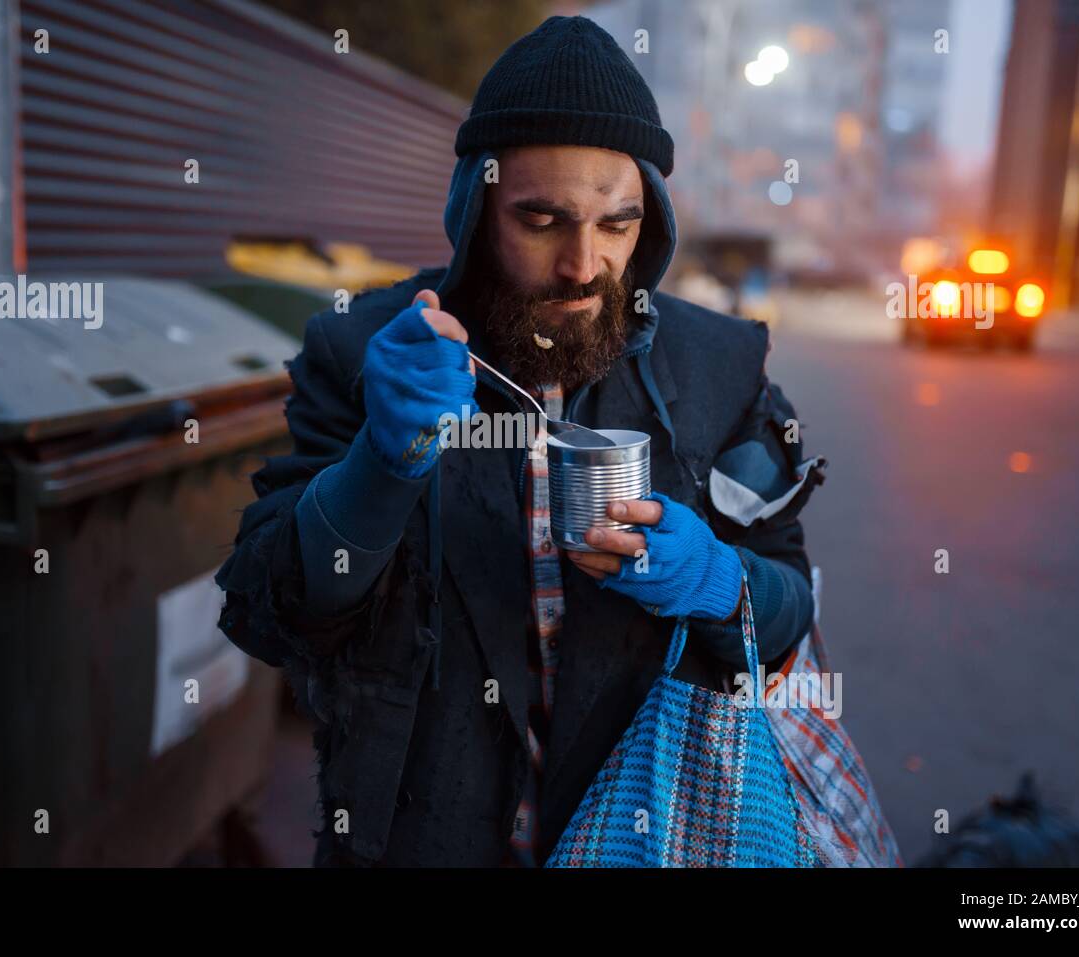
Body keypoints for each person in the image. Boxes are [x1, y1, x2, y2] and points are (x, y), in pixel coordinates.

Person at [216, 15, 825, 867]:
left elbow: (794, 609)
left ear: (649, 224)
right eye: (542, 221)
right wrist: (378, 469)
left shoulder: (720, 368)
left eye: (616, 225)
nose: (583, 264)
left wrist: (718, 581)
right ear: (474, 212)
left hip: (653, 839)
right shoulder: (366, 352)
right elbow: (269, 612)